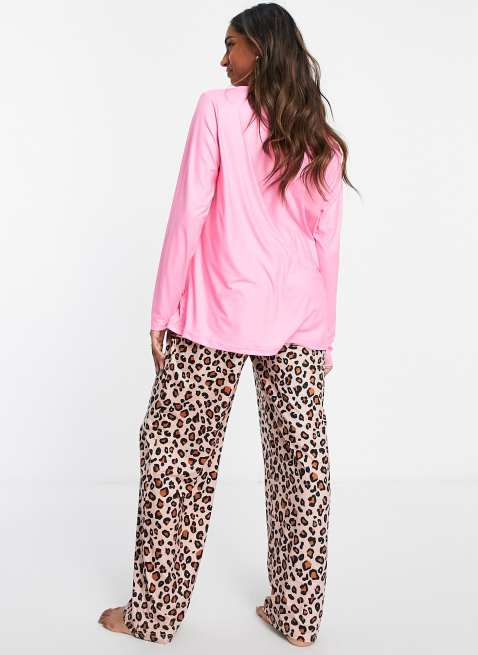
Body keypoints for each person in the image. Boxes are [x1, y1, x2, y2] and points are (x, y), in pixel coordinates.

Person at [98, 1, 355, 647]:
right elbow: (326, 246)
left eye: (231, 44)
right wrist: (323, 336)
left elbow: (190, 209)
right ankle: (298, 618)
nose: (223, 59)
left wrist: (162, 310)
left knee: (175, 461)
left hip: (215, 312)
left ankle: (154, 616)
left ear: (258, 51)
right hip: (300, 322)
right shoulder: (320, 136)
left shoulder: (216, 109)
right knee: (303, 469)